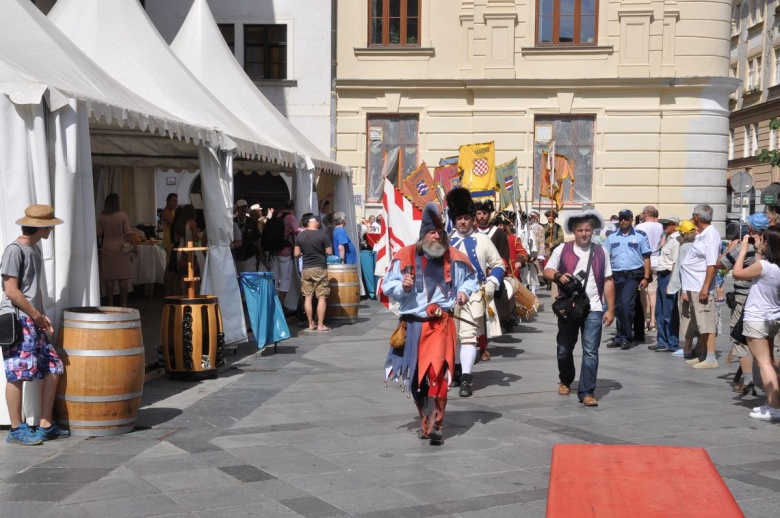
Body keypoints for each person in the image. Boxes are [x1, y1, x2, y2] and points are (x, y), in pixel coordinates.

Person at [382, 202, 477, 444]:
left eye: (440, 232)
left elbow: (469, 280)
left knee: (436, 375)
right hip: (413, 324)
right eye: (433, 232)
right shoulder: (404, 255)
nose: (437, 236)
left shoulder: (454, 257)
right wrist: (402, 286)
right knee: (416, 379)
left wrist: (463, 293)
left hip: (440, 324)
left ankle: (437, 423)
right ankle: (426, 417)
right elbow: (386, 287)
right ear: (424, 234)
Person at [1, 204, 70, 445]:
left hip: (32, 320)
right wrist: (36, 316)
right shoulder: (14, 250)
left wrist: (39, 318)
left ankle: (46, 424)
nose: (51, 229)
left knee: (53, 366)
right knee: (17, 373)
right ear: (41, 227)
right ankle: (16, 429)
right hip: (20, 320)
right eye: (49, 225)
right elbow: (11, 290)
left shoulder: (34, 249)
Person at [544, 210, 615, 406]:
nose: (584, 233)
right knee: (563, 349)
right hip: (570, 306)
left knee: (591, 351)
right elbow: (547, 270)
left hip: (593, 307)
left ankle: (587, 392)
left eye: (587, 230)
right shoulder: (562, 250)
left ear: (593, 231)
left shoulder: (602, 252)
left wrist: (610, 309)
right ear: (573, 231)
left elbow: (608, 280)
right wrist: (558, 276)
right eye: (580, 230)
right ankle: (566, 379)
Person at [447, 188, 505, 397]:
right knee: (451, 337)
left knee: (469, 336)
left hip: (474, 296)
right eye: (459, 218)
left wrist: (492, 281)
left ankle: (466, 378)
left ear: (473, 219)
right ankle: (454, 371)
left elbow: (498, 263)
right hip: (449, 296)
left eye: (466, 218)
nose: (462, 222)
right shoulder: (446, 241)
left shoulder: (483, 240)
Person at [733, 227, 780, 420]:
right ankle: (774, 401)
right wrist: (759, 251)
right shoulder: (773, 266)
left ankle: (775, 407)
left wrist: (744, 248)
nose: (758, 242)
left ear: (769, 243)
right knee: (771, 361)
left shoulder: (764, 267)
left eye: (762, 240)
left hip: (757, 318)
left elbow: (737, 273)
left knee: (763, 363)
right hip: (773, 317)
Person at [718, 213, 768, 393]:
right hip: (770, 298)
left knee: (742, 337)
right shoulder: (774, 244)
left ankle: (748, 380)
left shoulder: (746, 247)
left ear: (751, 229)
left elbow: (721, 264)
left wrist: (734, 247)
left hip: (745, 297)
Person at [680, 204, 722, 369]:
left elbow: (711, 264)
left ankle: (711, 358)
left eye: (693, 215)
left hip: (700, 286)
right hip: (693, 285)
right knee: (699, 323)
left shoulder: (711, 235)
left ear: (697, 217)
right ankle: (704, 354)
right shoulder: (703, 234)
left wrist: (705, 287)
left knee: (707, 323)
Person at [604, 209, 651, 350]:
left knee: (626, 304)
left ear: (631, 219)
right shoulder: (611, 237)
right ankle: (619, 336)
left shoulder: (640, 236)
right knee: (617, 307)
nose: (623, 220)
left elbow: (646, 257)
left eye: (626, 218)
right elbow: (605, 257)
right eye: (621, 218)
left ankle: (627, 337)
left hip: (633, 276)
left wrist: (646, 277)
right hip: (616, 275)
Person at [474, 200, 512, 336]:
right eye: (479, 213)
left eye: (485, 213)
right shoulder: (471, 233)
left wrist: (493, 272)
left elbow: (504, 256)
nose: (482, 216)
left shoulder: (499, 234)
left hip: (492, 275)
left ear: (489, 215)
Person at [294, 213, 333, 332]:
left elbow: (296, 254)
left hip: (306, 269)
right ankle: (320, 325)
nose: (319, 223)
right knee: (321, 297)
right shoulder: (323, 235)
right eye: (318, 221)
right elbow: (329, 252)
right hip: (319, 268)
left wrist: (304, 253)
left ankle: (310, 323)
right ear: (315, 222)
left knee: (308, 297)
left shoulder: (300, 236)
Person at [97, 193, 135, 308]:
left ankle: (110, 302)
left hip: (107, 246)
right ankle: (124, 302)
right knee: (123, 276)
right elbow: (129, 233)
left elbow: (98, 233)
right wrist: (134, 246)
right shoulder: (123, 216)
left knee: (109, 277)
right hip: (121, 246)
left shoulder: (102, 217)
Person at [667, 221, 698, 358]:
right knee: (694, 317)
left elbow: (683, 269)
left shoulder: (684, 247)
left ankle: (687, 347)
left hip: (686, 287)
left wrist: (684, 290)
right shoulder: (696, 245)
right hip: (695, 286)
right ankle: (695, 346)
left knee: (686, 317)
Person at [651, 215, 682, 352]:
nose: (664, 227)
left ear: (675, 225)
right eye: (663, 224)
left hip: (668, 276)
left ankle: (672, 342)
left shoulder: (676, 240)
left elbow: (675, 263)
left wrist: (672, 282)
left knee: (669, 312)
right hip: (661, 275)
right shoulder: (668, 239)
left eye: (667, 224)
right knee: (660, 312)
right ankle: (662, 340)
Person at [635, 206, 664, 332]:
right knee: (653, 292)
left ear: (645, 215)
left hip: (643, 261)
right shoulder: (660, 226)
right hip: (657, 260)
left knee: (643, 292)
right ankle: (653, 321)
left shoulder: (640, 227)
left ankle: (643, 321)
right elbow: (662, 243)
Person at [269, 200, 299, 305]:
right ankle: (280, 305)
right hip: (285, 252)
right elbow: (296, 231)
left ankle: (272, 302)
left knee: (274, 278)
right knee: (285, 279)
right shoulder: (290, 217)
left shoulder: (277, 216)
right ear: (293, 208)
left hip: (274, 251)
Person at [174, 205, 201, 294]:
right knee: (195, 275)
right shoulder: (192, 223)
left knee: (183, 275)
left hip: (180, 252)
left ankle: (183, 296)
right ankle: (194, 296)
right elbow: (196, 238)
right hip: (189, 252)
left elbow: (176, 240)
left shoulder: (178, 224)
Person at [233, 199, 261, 273]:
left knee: (249, 278)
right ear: (237, 208)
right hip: (236, 256)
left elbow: (256, 240)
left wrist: (259, 255)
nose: (243, 209)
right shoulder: (232, 222)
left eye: (245, 207)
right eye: (241, 207)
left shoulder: (252, 222)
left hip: (249, 255)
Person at [161, 193, 178, 296]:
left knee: (171, 265)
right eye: (173, 201)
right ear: (168, 201)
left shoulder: (172, 211)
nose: (175, 203)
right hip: (168, 240)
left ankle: (170, 289)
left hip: (172, 240)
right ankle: (167, 290)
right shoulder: (166, 212)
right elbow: (173, 223)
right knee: (169, 266)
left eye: (176, 200)